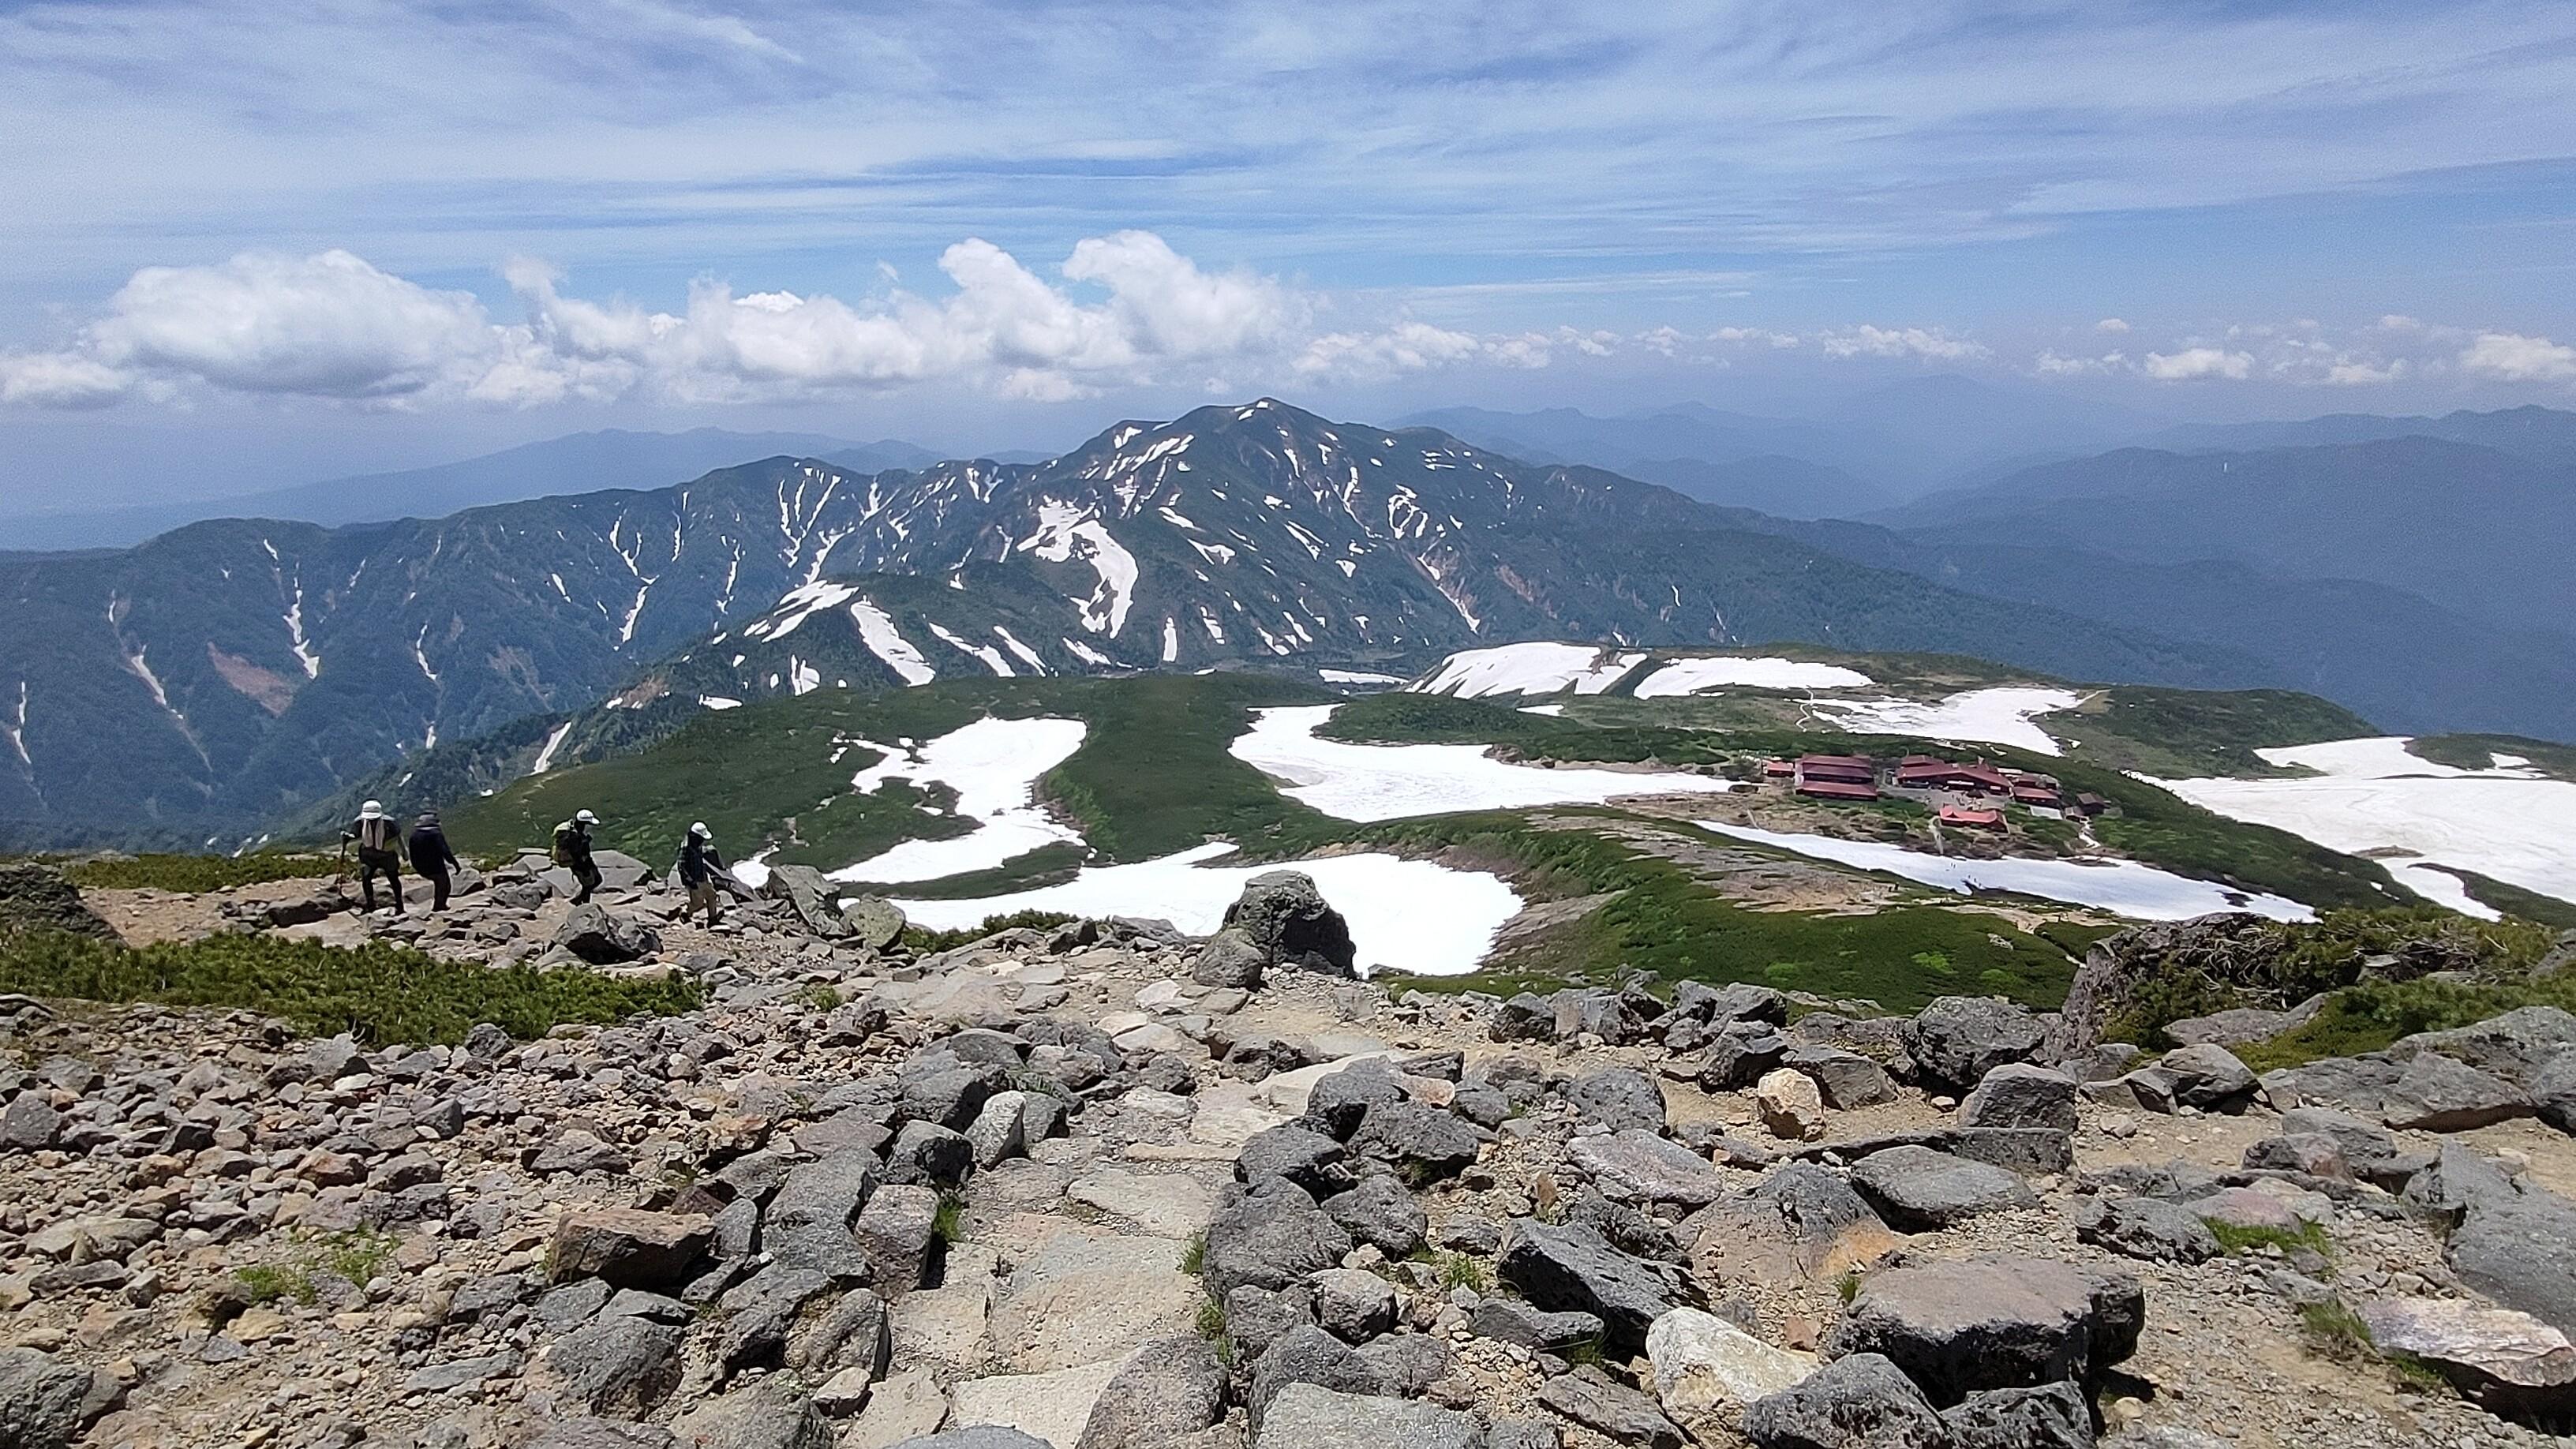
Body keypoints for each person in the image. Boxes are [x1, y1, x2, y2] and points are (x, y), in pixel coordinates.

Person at [343, 799, 404, 915]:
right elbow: (355, 834)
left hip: (380, 856)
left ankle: (398, 904)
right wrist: (349, 836)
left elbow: (398, 836)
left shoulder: (389, 822)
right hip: (377, 856)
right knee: (367, 879)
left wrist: (405, 853)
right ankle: (371, 903)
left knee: (393, 879)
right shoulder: (362, 821)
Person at [676, 821, 727, 927]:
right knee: (698, 904)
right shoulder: (686, 848)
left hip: (702, 877)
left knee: (712, 895)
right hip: (694, 880)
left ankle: (712, 919)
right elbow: (681, 866)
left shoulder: (697, 844)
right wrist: (690, 881)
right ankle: (685, 912)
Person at [408, 810, 460, 912]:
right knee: (444, 883)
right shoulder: (435, 834)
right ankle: (440, 905)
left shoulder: (414, 835)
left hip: (419, 865)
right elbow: (445, 851)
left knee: (438, 881)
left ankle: (439, 905)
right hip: (435, 866)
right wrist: (455, 864)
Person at [552, 808, 603, 904]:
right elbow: (576, 854)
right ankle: (584, 904)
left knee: (596, 880)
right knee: (588, 884)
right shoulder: (574, 836)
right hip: (579, 863)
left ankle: (580, 900)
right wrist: (584, 870)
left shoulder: (576, 830)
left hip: (584, 861)